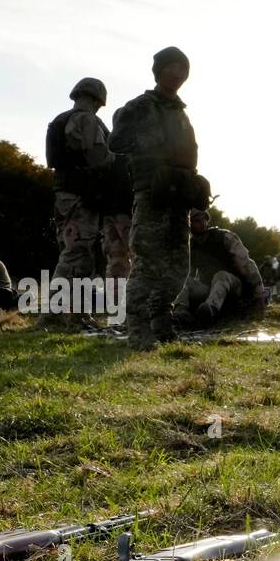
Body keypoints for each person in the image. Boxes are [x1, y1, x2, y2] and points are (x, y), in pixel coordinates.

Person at [109, 46, 204, 350]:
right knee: (147, 265)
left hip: (179, 196)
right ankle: (138, 332)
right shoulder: (141, 106)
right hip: (152, 195)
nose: (177, 74)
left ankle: (162, 325)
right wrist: (148, 145)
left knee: (179, 267)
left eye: (182, 69)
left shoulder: (181, 112)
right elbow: (116, 141)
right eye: (171, 67)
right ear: (159, 71)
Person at [43, 77, 113, 327]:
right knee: (77, 256)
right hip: (81, 197)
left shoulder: (59, 120)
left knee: (72, 254)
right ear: (97, 99)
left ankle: (76, 315)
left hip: (64, 195)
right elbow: (99, 158)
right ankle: (53, 315)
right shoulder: (87, 120)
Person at [174, 208, 266, 324]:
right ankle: (180, 312)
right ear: (189, 224)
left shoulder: (225, 238)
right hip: (209, 289)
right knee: (184, 280)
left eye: (204, 219)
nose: (202, 223)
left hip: (234, 288)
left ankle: (209, 311)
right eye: (197, 220)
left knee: (220, 275)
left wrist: (259, 298)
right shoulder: (191, 246)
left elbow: (248, 266)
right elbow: (188, 274)